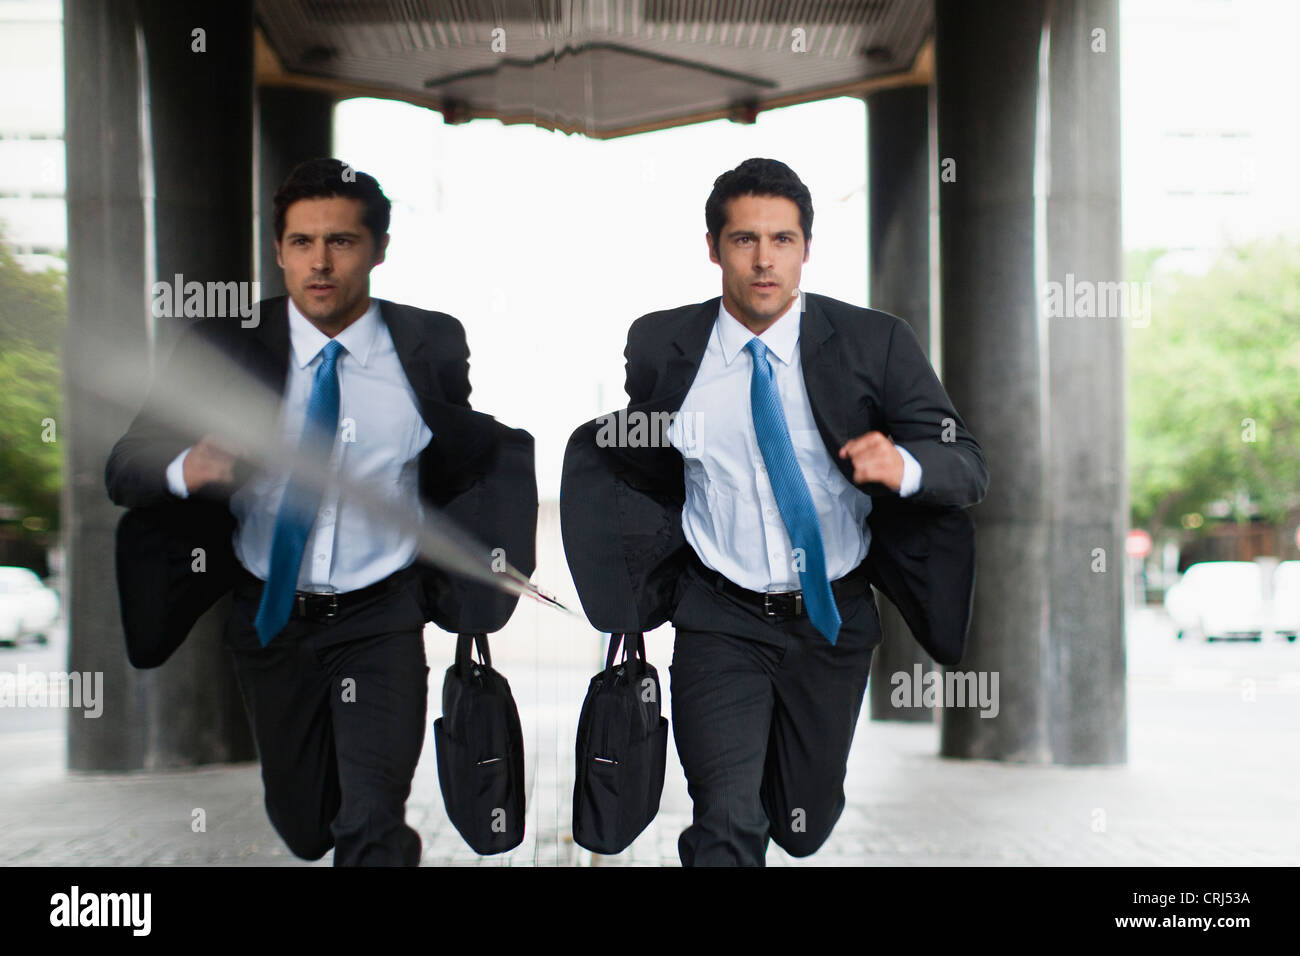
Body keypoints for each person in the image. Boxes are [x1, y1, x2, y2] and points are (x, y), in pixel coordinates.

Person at [105, 157, 536, 866]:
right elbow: (125, 464)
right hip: (271, 620)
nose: (321, 262)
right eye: (302, 242)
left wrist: (476, 569)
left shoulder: (428, 345)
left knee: (372, 821)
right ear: (278, 251)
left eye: (342, 241)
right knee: (309, 826)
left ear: (378, 249)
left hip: (382, 618)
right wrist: (191, 466)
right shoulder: (226, 345)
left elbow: (467, 460)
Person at [560, 157, 988, 866]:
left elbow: (967, 463)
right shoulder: (663, 345)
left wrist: (903, 465)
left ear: (806, 249)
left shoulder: (872, 341)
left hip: (832, 619)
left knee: (799, 821)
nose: (764, 260)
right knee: (726, 818)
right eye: (744, 239)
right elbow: (639, 461)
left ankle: (793, 808)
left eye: (783, 240)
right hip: (718, 618)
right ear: (713, 247)